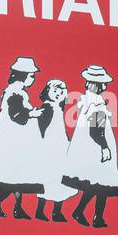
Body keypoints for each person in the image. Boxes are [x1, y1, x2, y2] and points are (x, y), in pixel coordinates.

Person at [61, 64, 118, 228]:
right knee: (102, 183)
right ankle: (96, 217)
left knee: (96, 183)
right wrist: (104, 146)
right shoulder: (97, 104)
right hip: (96, 148)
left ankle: (82, 212)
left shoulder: (86, 100)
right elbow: (96, 130)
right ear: (101, 85)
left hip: (87, 149)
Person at [0, 56, 44, 219]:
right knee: (15, 177)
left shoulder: (16, 92)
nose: (33, 79)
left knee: (19, 177)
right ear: (23, 75)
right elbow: (17, 115)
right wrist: (33, 113)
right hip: (14, 143)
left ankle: (17, 208)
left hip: (17, 142)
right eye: (31, 76)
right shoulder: (15, 93)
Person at [30, 79, 75, 222]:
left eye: (61, 91)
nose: (58, 94)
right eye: (55, 91)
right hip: (50, 150)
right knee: (48, 180)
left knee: (60, 181)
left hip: (60, 149)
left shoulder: (57, 108)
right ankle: (41, 211)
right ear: (47, 92)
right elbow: (40, 130)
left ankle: (56, 212)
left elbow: (60, 130)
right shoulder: (48, 108)